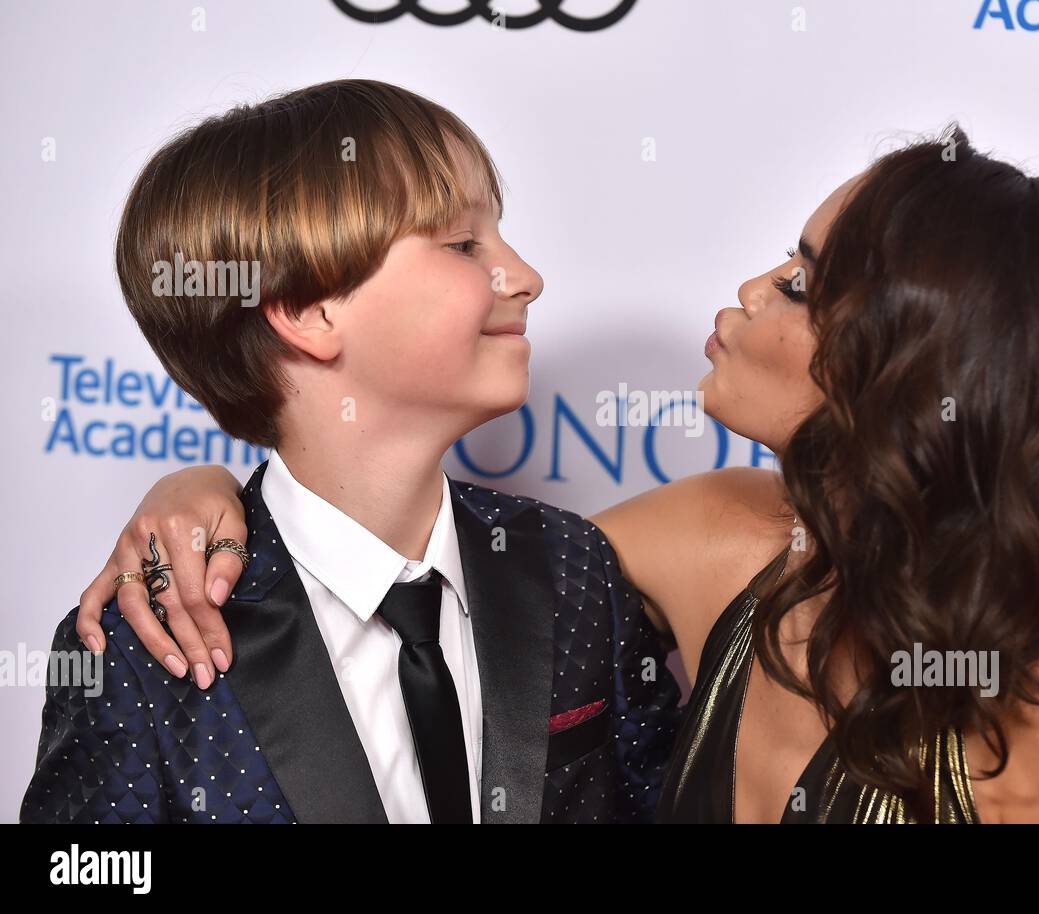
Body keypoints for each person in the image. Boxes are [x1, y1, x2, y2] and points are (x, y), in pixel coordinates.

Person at [72, 126, 1039, 824]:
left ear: (911, 374)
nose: (748, 292)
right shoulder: (706, 547)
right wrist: (209, 484)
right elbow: (400, 562)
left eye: (799, 282)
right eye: (462, 243)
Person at [20, 79, 680, 825]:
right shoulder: (145, 648)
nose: (525, 279)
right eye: (464, 245)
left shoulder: (571, 568)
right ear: (309, 311)